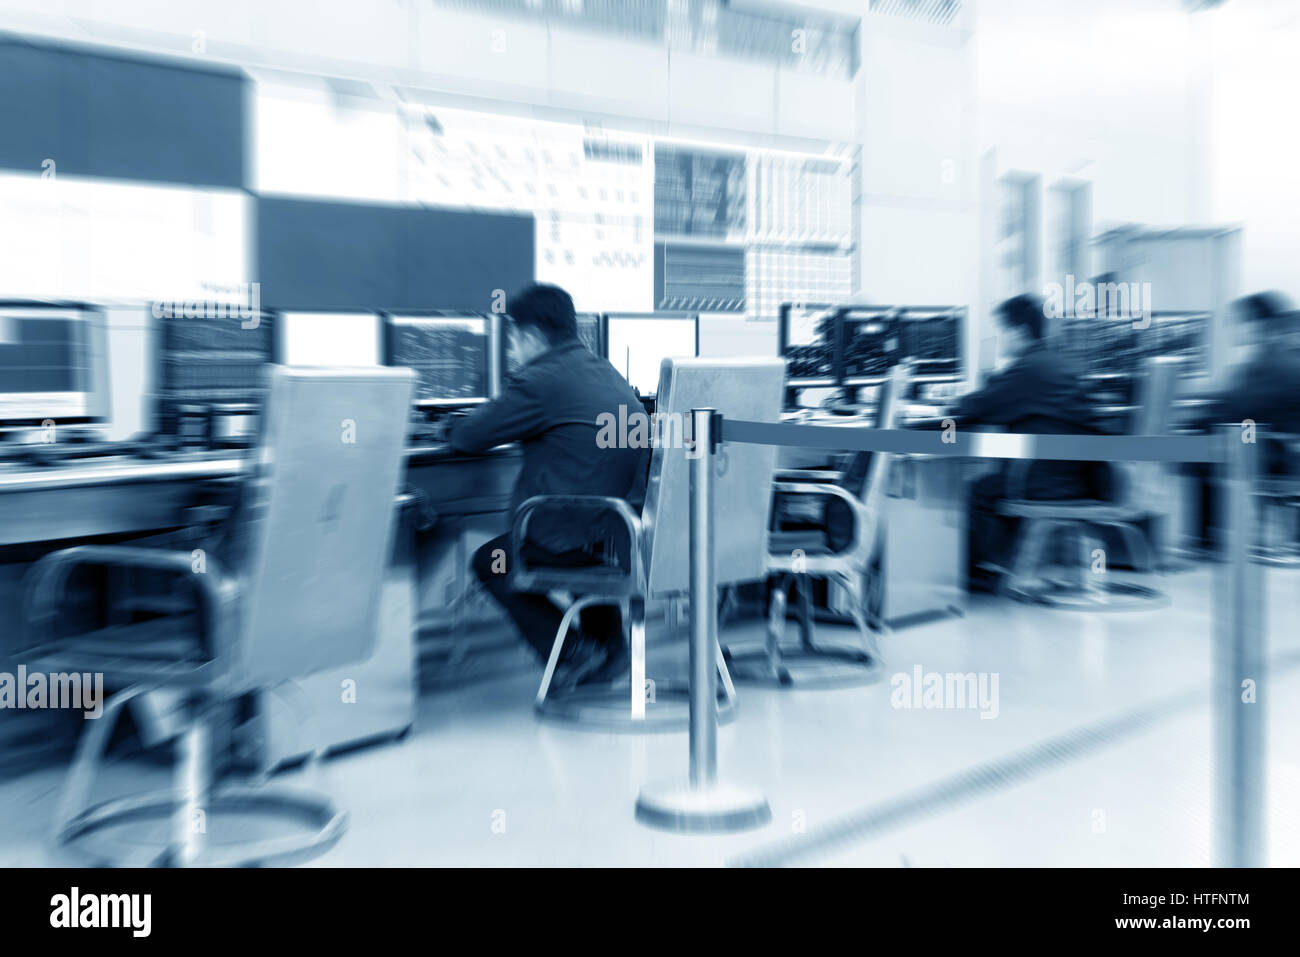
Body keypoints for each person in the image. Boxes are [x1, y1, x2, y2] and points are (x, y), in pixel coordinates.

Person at [443, 283, 649, 686]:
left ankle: (573, 652)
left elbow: (469, 437)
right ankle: (609, 648)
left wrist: (449, 424)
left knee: (491, 561)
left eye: (513, 342)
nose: (511, 352)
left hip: (574, 541)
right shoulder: (607, 372)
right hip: (621, 538)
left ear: (532, 337)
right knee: (582, 527)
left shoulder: (540, 380)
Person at [950, 294, 1109, 591]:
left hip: (1047, 482)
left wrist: (941, 419)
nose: (1000, 338)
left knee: (977, 490)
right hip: (1081, 478)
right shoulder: (1059, 363)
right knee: (992, 480)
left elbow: (975, 408)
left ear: (1019, 332)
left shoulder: (1030, 369)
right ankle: (1003, 562)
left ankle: (980, 571)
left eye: (1002, 330)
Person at [1187, 291, 1300, 550]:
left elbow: (1237, 408)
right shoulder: (1284, 356)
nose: (1234, 329)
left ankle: (1209, 540)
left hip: (1279, 455)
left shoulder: (1270, 362)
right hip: (1284, 449)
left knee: (1201, 459)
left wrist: (1197, 421)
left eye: (1239, 322)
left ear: (1257, 324)